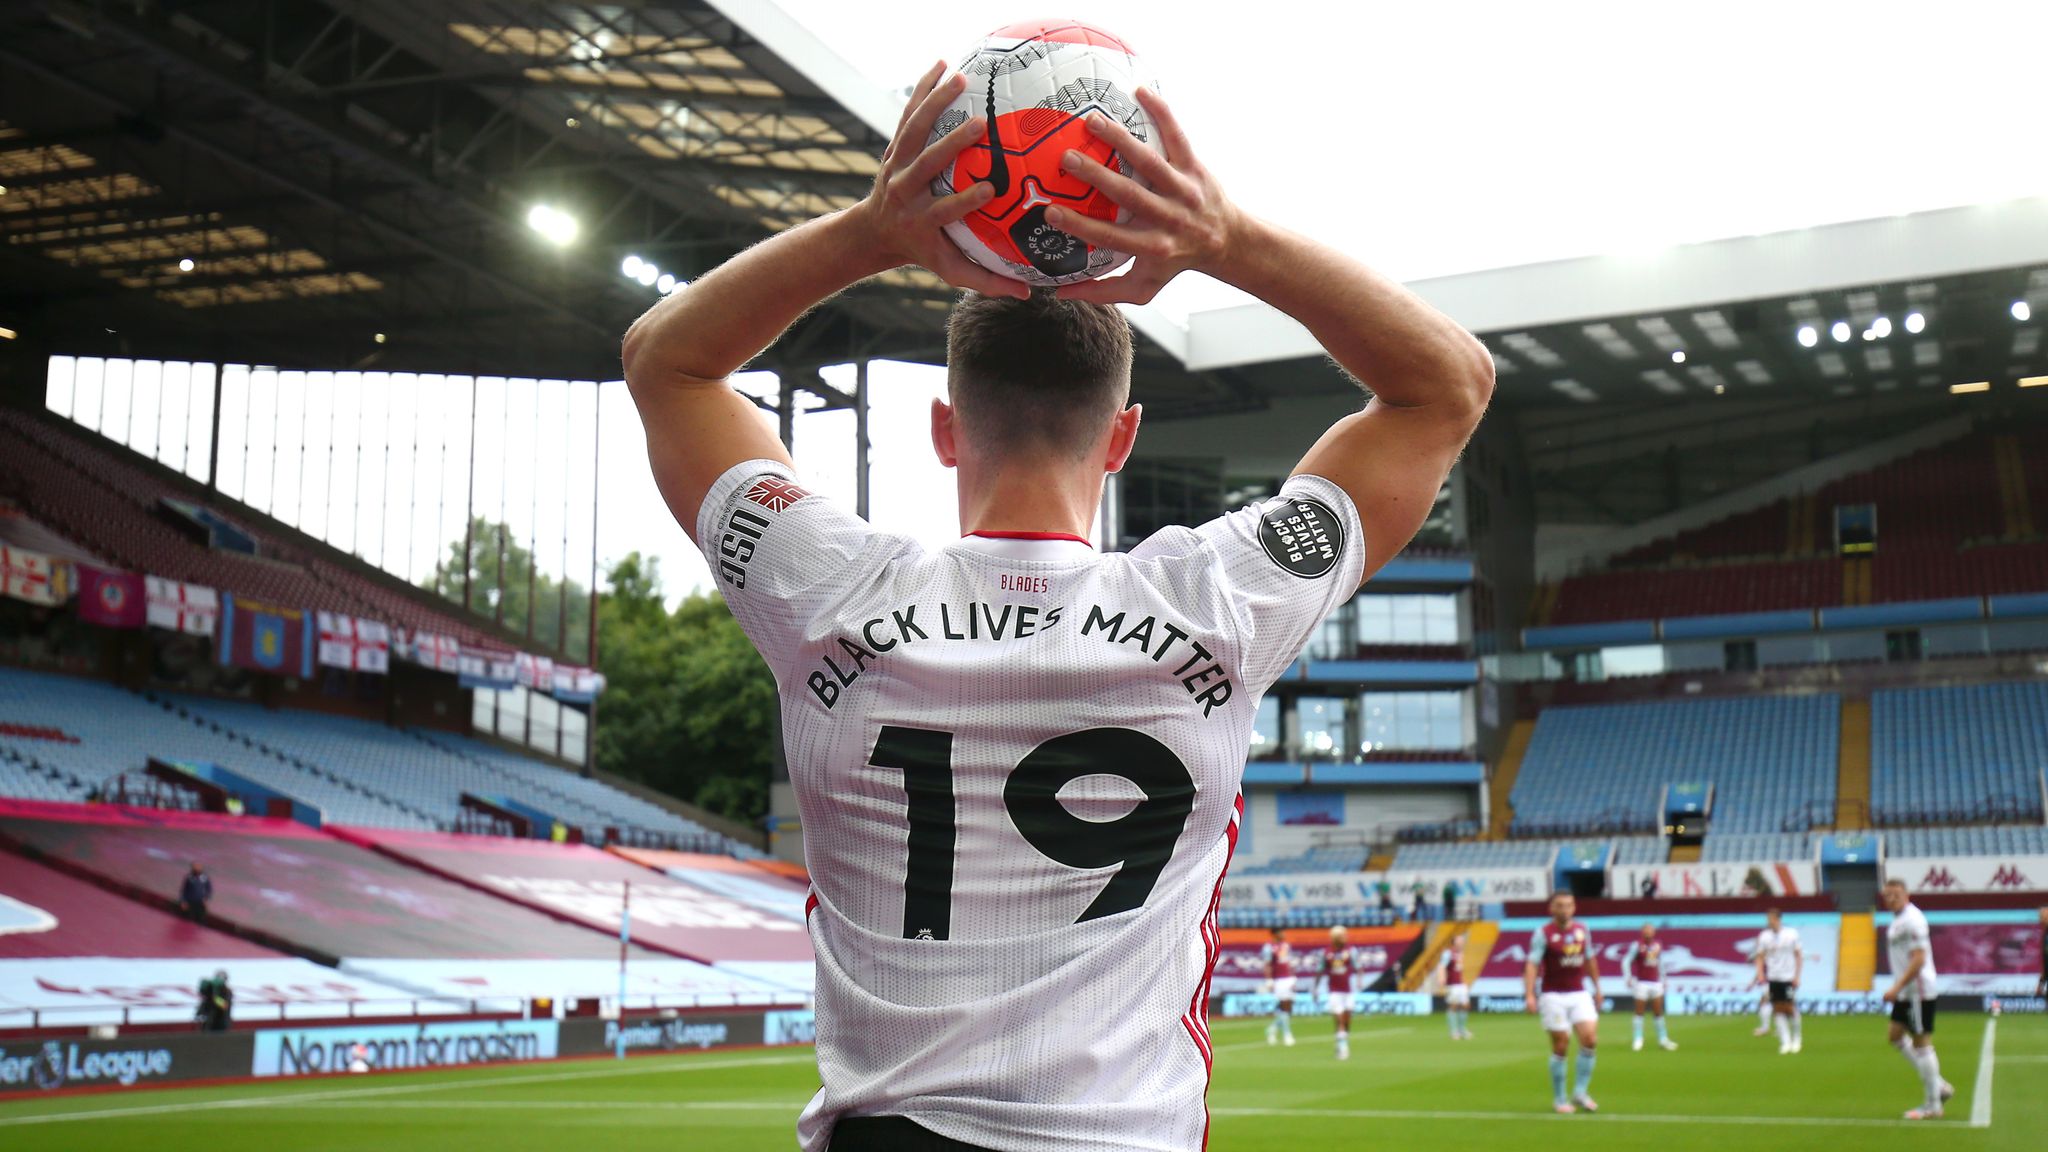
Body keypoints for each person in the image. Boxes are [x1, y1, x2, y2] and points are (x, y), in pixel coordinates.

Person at [619, 65, 1492, 1152]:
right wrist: (1222, 240)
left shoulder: (823, 586)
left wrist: (872, 230)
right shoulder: (1220, 599)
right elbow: (1445, 385)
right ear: (1120, 439)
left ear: (945, 427)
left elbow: (665, 364)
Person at [1882, 879, 1953, 1120]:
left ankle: (1933, 1105)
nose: (1891, 898)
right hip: (1906, 992)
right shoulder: (1897, 921)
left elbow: (1919, 959)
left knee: (1922, 1043)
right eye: (1888, 894)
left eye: (1896, 894)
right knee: (1895, 1036)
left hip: (1917, 990)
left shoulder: (1913, 920)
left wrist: (1897, 987)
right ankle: (1939, 1085)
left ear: (1906, 894)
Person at [1524, 891, 1600, 1114]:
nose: (1564, 909)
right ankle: (1560, 1098)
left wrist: (1598, 988)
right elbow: (1532, 964)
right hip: (1553, 995)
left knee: (1590, 1039)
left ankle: (1580, 1092)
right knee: (1561, 1044)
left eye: (1568, 905)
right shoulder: (1543, 933)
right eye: (1559, 905)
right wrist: (1529, 994)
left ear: (1574, 908)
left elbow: (1590, 959)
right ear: (1552, 909)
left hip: (1579, 992)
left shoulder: (1582, 930)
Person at [1752, 908, 1803, 1054]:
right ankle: (1785, 1042)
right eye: (1768, 919)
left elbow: (1798, 955)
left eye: (1771, 919)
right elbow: (1760, 956)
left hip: (1788, 977)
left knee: (1791, 1009)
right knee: (1778, 1010)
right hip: (1773, 978)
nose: (1769, 922)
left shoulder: (1791, 934)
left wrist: (1797, 976)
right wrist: (1760, 973)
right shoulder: (1764, 936)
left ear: (1778, 919)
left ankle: (1797, 1039)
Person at [1623, 923, 1677, 1051]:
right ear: (1642, 932)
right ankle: (1638, 1039)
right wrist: (1628, 977)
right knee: (1639, 1012)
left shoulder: (1657, 945)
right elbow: (1626, 961)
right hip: (1642, 983)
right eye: (1646, 930)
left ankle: (1663, 1039)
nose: (1648, 932)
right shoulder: (1637, 945)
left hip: (1656, 983)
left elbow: (1660, 962)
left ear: (1654, 932)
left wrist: (1664, 978)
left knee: (1658, 1012)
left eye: (1650, 930)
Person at [1321, 925, 1365, 1060]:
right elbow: (1320, 969)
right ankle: (1344, 1047)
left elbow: (1358, 966)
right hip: (1334, 991)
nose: (1345, 938)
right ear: (1335, 938)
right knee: (1339, 1019)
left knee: (1346, 1021)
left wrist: (1359, 980)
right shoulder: (1327, 952)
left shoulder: (1351, 951)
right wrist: (1316, 988)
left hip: (1348, 990)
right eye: (1342, 936)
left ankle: (1340, 1041)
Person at [1262, 928, 1297, 1046]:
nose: (1284, 934)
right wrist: (1269, 980)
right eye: (1281, 932)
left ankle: (1272, 1029)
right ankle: (1287, 1034)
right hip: (1279, 979)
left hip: (1288, 978)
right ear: (1275, 934)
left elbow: (1289, 962)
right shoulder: (1269, 948)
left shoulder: (1286, 946)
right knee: (1284, 1006)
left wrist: (1293, 977)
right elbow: (1267, 964)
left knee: (1289, 1008)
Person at [1440, 936, 1473, 1040]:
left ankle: (1462, 1029)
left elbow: (1459, 969)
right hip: (1452, 985)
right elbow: (1441, 966)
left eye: (1463, 941)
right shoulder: (1448, 953)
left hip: (1460, 984)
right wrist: (1441, 977)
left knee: (1465, 1005)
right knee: (1453, 1006)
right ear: (1454, 942)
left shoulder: (1461, 953)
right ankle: (1453, 1031)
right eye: (1460, 941)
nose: (1463, 942)